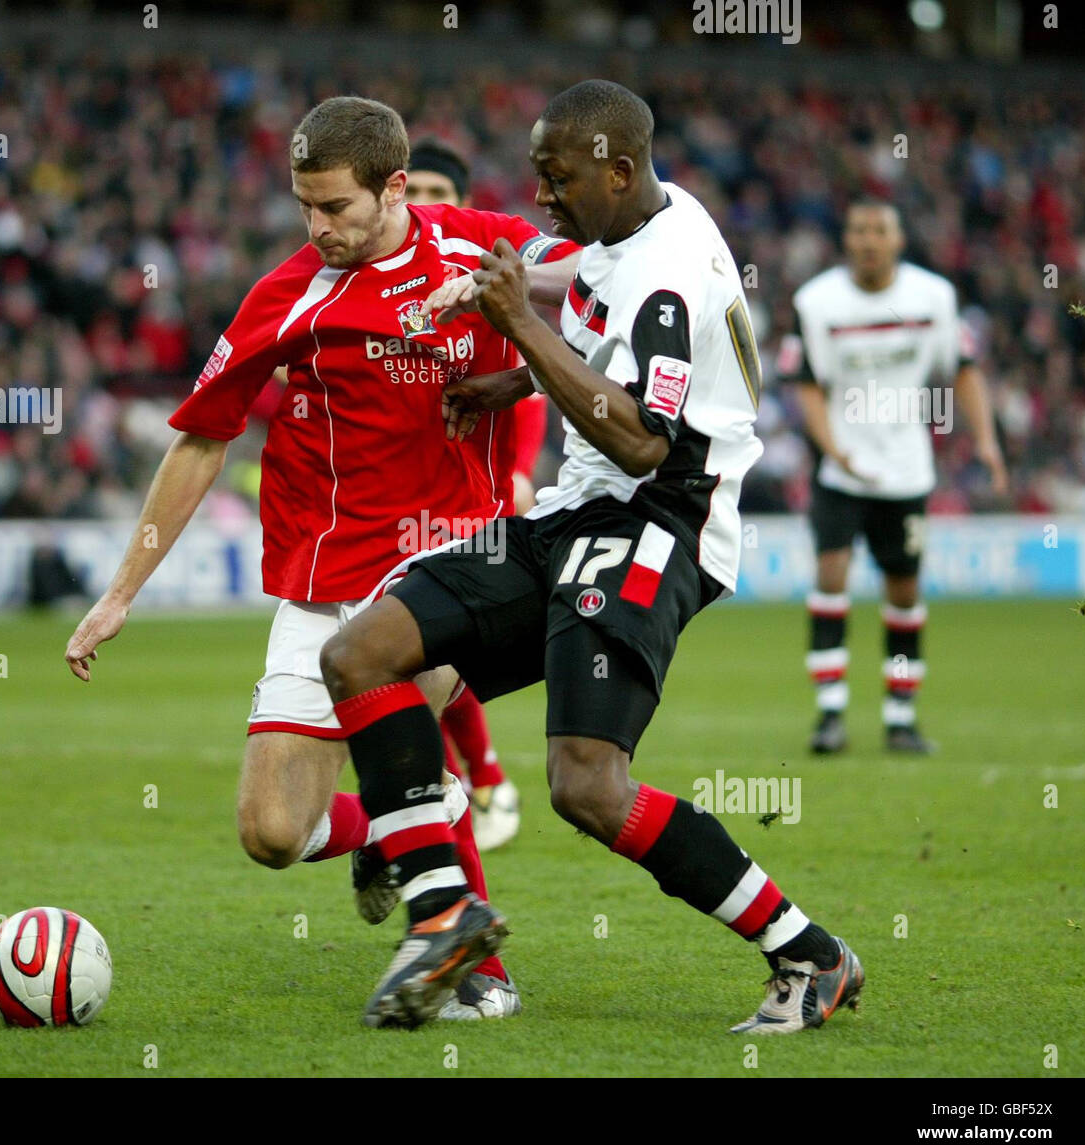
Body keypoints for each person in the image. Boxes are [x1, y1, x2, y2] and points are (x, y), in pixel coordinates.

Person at [320, 80, 864, 1033]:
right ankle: (443, 906)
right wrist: (513, 379)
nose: (540, 196)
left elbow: (647, 440)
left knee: (585, 784)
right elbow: (599, 322)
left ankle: (809, 953)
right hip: (577, 509)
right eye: (537, 173)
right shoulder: (646, 221)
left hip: (658, 519)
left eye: (556, 175)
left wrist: (518, 322)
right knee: (365, 654)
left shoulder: (667, 271)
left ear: (617, 170)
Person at [64, 96, 578, 1021]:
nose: (318, 226)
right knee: (270, 833)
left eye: (335, 207)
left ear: (392, 188)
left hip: (446, 565)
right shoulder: (291, 292)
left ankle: (475, 967)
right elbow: (199, 440)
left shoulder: (485, 245)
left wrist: (516, 359)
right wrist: (120, 593)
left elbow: (600, 287)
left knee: (404, 750)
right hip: (322, 581)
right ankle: (396, 827)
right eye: (305, 205)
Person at [780, 198, 1008, 755]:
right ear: (846, 239)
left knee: (903, 591)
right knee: (831, 577)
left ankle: (900, 716)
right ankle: (830, 714)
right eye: (858, 229)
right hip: (841, 470)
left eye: (879, 229)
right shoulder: (816, 302)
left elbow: (963, 370)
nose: (868, 239)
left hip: (906, 471)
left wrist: (986, 441)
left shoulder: (934, 298)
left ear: (899, 239)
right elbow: (804, 382)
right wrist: (833, 447)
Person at [406, 137, 536, 852]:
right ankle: (468, 785)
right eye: (412, 190)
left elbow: (529, 371)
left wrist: (519, 466)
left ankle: (467, 786)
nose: (422, 204)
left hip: (470, 490)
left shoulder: (483, 272)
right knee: (412, 655)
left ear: (460, 202)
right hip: (398, 491)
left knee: (424, 650)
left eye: (436, 191)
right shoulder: (382, 273)